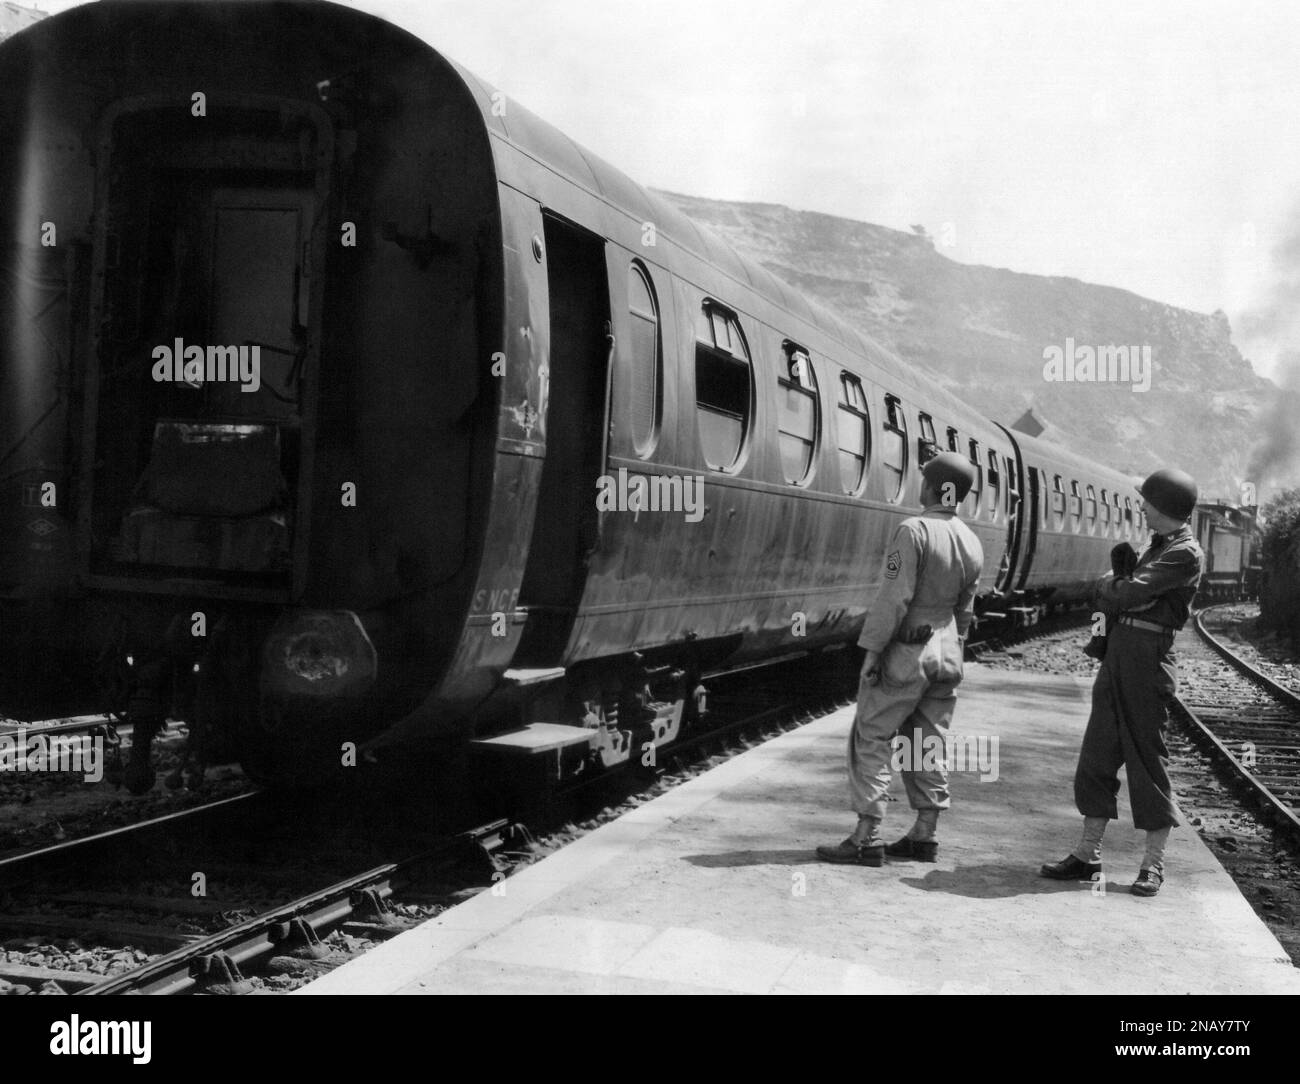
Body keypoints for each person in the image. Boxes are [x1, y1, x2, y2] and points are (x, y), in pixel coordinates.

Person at [1041, 468, 1204, 896]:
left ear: (1165, 505)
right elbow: (1126, 593)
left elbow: (1127, 594)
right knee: (1096, 756)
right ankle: (1087, 853)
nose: (1142, 506)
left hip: (1148, 660)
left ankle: (1153, 865)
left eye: (1147, 501)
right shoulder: (1158, 546)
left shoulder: (1185, 553)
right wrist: (1121, 588)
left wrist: (1115, 586)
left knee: (1147, 764)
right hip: (1119, 652)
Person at [817, 451, 985, 866]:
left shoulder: (911, 531)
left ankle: (866, 836)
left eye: (925, 479)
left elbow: (894, 596)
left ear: (934, 487)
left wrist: (873, 652)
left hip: (908, 650)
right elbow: (966, 609)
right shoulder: (971, 539)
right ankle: (924, 835)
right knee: (926, 742)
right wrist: (954, 645)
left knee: (871, 736)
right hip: (947, 651)